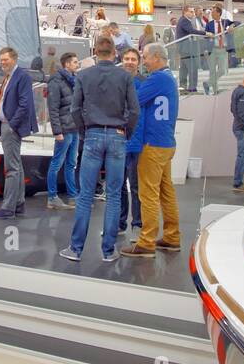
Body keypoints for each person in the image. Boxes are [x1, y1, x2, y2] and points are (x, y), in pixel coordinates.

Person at [60, 35, 138, 264]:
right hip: (117, 136)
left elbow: (75, 109)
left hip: (92, 135)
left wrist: (84, 132)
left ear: (95, 52)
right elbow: (134, 111)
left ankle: (75, 249)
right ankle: (108, 251)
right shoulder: (125, 76)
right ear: (115, 53)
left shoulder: (83, 75)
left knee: (85, 196)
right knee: (114, 195)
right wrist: (126, 132)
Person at [122, 43, 180, 258]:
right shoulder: (168, 78)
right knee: (166, 192)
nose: (143, 61)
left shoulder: (157, 79)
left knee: (148, 194)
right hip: (165, 143)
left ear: (156, 57)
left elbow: (134, 101)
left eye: (145, 57)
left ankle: (146, 241)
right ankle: (172, 237)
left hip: (153, 145)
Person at [0, 46, 37, 219]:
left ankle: (8, 208)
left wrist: (12, 124)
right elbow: (14, 100)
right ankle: (18, 204)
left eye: (5, 59)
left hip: (10, 126)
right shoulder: (9, 76)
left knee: (11, 169)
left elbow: (25, 104)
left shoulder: (21, 76)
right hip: (7, 124)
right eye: (1, 59)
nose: (2, 62)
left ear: (14, 59)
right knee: (17, 167)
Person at [44, 52, 80, 210]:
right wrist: (57, 131)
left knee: (71, 164)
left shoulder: (74, 81)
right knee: (57, 163)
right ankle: (52, 197)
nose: (77, 64)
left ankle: (72, 196)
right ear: (67, 64)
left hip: (74, 128)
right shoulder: (56, 81)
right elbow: (53, 108)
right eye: (75, 62)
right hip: (64, 130)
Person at [118, 47, 144, 234]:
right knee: (118, 185)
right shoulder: (115, 81)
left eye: (133, 59)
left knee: (135, 186)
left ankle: (137, 224)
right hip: (118, 142)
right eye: (126, 58)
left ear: (138, 62)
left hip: (137, 142)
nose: (129, 61)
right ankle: (119, 223)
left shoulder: (145, 82)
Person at [174, 6, 204, 93]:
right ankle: (192, 88)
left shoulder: (184, 20)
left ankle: (183, 89)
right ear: (185, 12)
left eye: (193, 12)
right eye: (191, 12)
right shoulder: (184, 20)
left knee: (183, 69)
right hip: (186, 49)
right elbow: (191, 31)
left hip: (184, 49)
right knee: (193, 68)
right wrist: (205, 33)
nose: (193, 13)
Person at [205, 4, 230, 94]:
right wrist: (206, 50)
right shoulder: (209, 24)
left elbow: (237, 23)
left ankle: (208, 83)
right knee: (212, 71)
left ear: (219, 13)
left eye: (213, 12)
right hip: (212, 50)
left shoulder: (225, 22)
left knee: (222, 70)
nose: (211, 14)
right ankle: (215, 91)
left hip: (222, 49)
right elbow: (206, 38)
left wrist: (232, 26)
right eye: (211, 12)